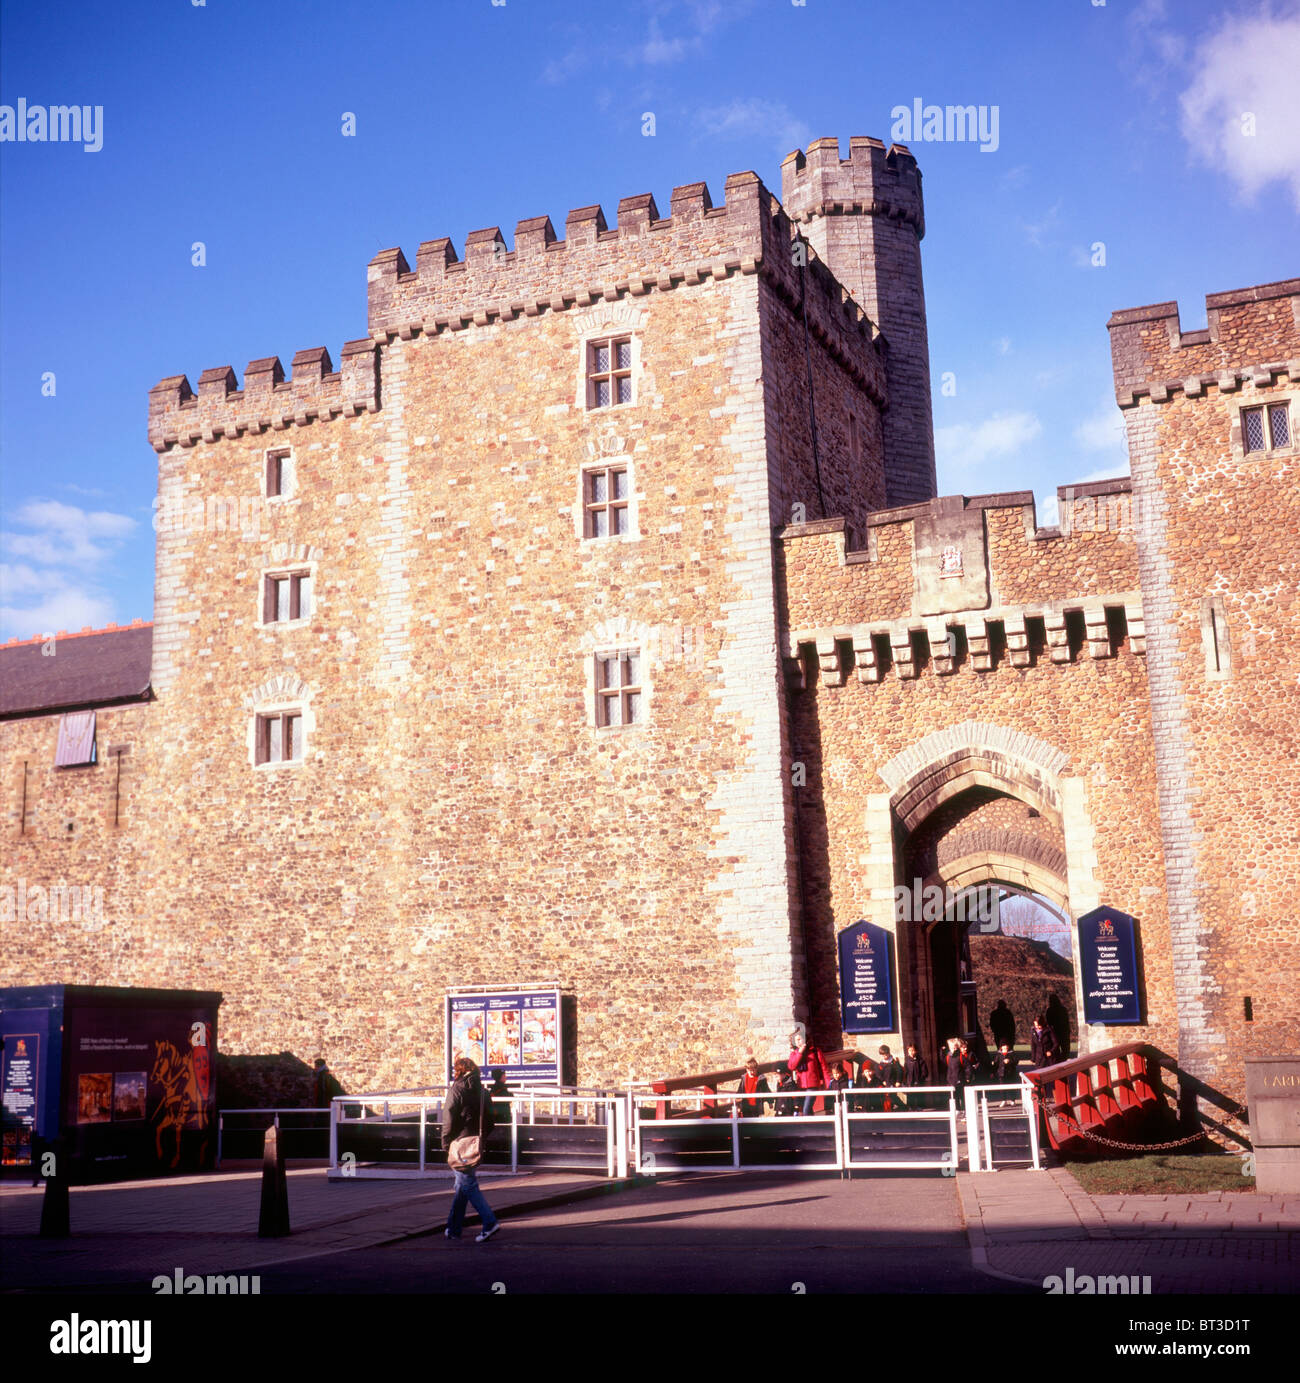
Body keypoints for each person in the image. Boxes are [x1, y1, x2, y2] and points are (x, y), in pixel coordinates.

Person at [440, 1057, 500, 1243]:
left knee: (468, 1185)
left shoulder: (457, 1089)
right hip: (476, 1141)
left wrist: (446, 1142)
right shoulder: (482, 1091)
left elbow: (448, 1117)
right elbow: (491, 1120)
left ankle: (490, 1222)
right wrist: (480, 1137)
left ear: (458, 1071)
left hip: (459, 1142)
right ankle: (453, 1228)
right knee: (461, 1185)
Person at [788, 1032, 829, 1116]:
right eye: (796, 1040)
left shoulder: (815, 1051)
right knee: (807, 1110)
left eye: (799, 1039)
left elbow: (824, 1068)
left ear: (805, 1039)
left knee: (806, 1110)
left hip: (813, 1085)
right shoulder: (794, 1053)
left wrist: (828, 1084)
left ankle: (807, 1127)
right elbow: (792, 1066)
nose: (798, 1042)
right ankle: (813, 1127)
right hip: (801, 1086)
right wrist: (800, 1053)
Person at [1045, 993, 1071, 1061]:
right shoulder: (1063, 1009)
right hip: (1063, 1032)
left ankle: (1057, 1061)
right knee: (1065, 1050)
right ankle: (1063, 1061)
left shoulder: (1049, 1010)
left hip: (1054, 1032)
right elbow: (1066, 1022)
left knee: (1056, 1049)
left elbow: (1048, 1023)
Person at [487, 1068, 511, 1132]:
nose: (506, 1077)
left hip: (498, 1115)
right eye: (504, 1075)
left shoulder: (496, 1087)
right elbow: (507, 1098)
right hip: (502, 1116)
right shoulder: (500, 1087)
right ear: (500, 1077)